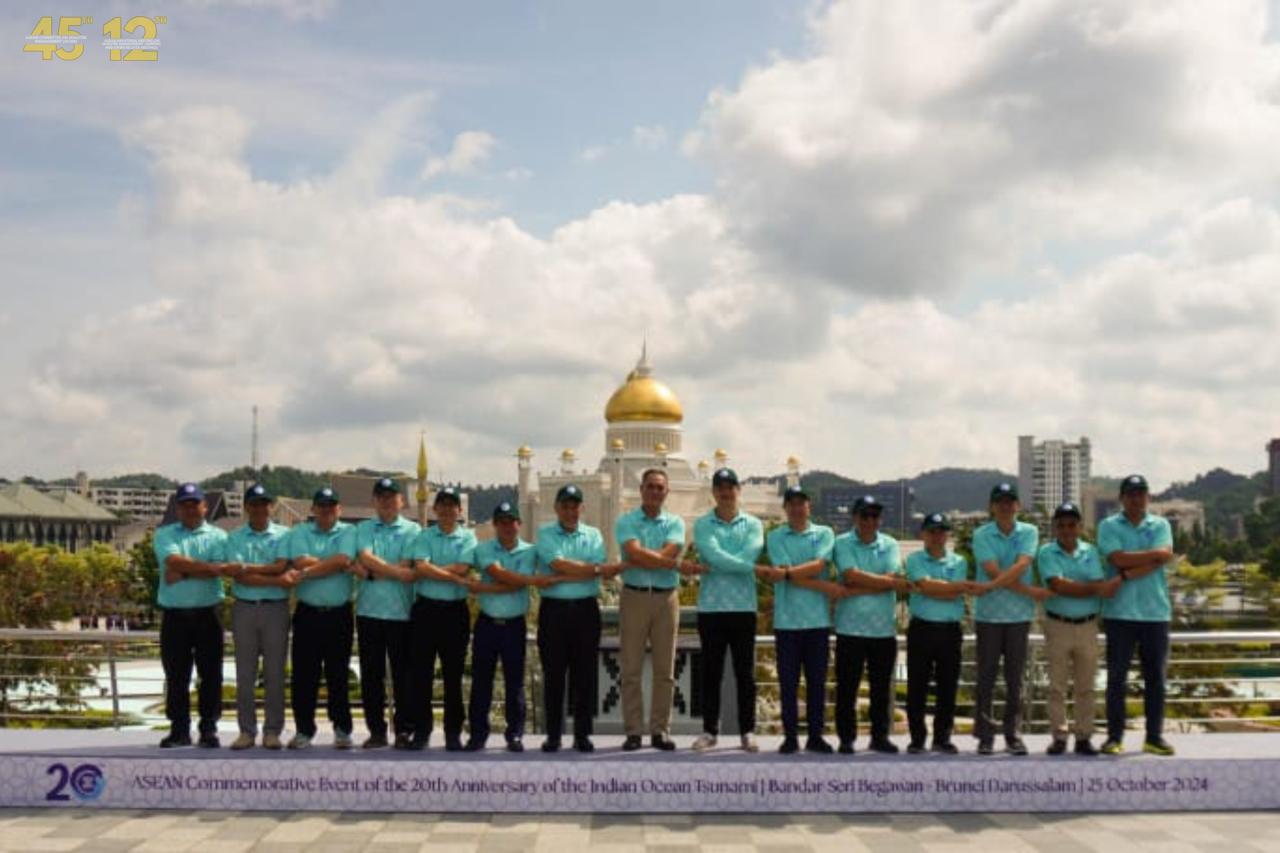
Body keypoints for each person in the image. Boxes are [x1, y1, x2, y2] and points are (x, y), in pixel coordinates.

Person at [462, 501, 561, 752]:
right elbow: (502, 576)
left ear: (519, 524)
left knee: (515, 683)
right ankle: (477, 735)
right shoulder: (483, 549)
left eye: (512, 521)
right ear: (495, 524)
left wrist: (482, 587)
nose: (508, 526)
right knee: (481, 682)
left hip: (514, 625)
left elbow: (515, 584)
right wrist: (533, 580)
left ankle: (514, 735)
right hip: (487, 624)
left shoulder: (530, 551)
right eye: (502, 522)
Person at [534, 484, 622, 753]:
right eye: (565, 506)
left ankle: (582, 735)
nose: (570, 511)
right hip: (554, 611)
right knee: (554, 675)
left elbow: (590, 570)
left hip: (585, 610)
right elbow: (559, 564)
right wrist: (589, 569)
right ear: (557, 508)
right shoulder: (545, 533)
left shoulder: (593, 534)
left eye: (575, 506)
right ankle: (554, 735)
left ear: (581, 508)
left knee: (585, 676)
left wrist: (571, 572)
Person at [1098, 474, 1177, 757]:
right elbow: (1116, 558)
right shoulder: (1108, 525)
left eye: (1141, 493)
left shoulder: (1161, 524)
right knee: (1116, 679)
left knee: (1155, 678)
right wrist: (1152, 555)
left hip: (1155, 613)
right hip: (1119, 613)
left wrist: (1129, 571)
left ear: (1148, 496)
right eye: (1131, 493)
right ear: (1122, 497)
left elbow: (1164, 557)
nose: (1136, 498)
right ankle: (1113, 737)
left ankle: (1154, 737)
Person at [153, 483, 235, 748]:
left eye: (194, 503)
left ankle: (208, 729)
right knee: (176, 676)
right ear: (178, 508)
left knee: (211, 675)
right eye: (185, 504)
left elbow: (220, 568)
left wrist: (187, 572)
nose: (190, 509)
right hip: (175, 616)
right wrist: (206, 567)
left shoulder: (220, 536)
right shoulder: (164, 534)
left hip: (207, 614)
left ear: (204, 506)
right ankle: (179, 730)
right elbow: (172, 563)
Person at [687, 468, 763, 754]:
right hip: (712, 607)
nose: (725, 492)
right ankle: (710, 730)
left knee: (745, 673)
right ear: (714, 492)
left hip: (743, 608)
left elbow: (748, 554)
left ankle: (747, 730)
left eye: (730, 487)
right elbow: (713, 553)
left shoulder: (753, 524)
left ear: (738, 490)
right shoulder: (704, 523)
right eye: (720, 487)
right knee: (711, 672)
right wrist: (746, 566)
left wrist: (728, 563)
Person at [1038, 501, 1120, 756]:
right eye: (1061, 525)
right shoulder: (1046, 552)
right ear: (1054, 527)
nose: (1066, 529)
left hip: (1087, 626)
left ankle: (1084, 737)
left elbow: (1093, 581)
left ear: (1080, 527)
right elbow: (1058, 585)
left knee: (1086, 687)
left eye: (1071, 524)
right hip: (1057, 624)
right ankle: (1059, 737)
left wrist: (1083, 587)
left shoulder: (1091, 551)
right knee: (1057, 687)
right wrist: (1092, 589)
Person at [971, 482, 1047, 756]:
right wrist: (1028, 591)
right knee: (986, 677)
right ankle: (985, 735)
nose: (1005, 506)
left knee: (1016, 679)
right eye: (999, 501)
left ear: (1017, 505)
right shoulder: (981, 533)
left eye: (1010, 501)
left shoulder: (1029, 531)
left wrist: (994, 586)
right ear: (992, 506)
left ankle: (1013, 734)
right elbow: (992, 570)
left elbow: (1021, 565)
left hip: (1018, 616)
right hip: (989, 616)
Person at [281, 486, 358, 750]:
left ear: (339, 509)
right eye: (321, 506)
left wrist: (310, 571)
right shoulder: (300, 531)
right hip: (308, 614)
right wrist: (333, 563)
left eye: (331, 506)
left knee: (338, 675)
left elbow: (344, 559)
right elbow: (304, 560)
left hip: (339, 614)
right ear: (313, 509)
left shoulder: (349, 531)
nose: (326, 510)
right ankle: (304, 730)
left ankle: (342, 730)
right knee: (304, 676)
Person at [616, 469, 687, 752]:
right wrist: (661, 560)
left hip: (665, 598)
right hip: (634, 597)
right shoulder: (627, 520)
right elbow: (633, 552)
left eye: (660, 487)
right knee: (631, 668)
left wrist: (649, 558)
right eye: (650, 487)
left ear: (666, 492)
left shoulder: (676, 522)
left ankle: (660, 730)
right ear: (641, 489)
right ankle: (634, 731)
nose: (655, 492)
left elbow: (668, 553)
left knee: (664, 669)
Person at [832, 495, 909, 754]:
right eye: (864, 515)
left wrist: (857, 585)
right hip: (849, 629)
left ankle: (880, 737)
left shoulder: (890, 543)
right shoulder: (841, 542)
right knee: (847, 689)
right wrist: (883, 583)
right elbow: (849, 575)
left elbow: (892, 578)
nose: (869, 521)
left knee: (881, 691)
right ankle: (846, 738)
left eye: (874, 516)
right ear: (854, 517)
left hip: (882, 630)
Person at [763, 485, 837, 755]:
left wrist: (789, 574)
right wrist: (800, 573)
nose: (796, 508)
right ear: (785, 508)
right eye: (791, 503)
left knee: (817, 684)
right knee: (789, 684)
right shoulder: (775, 536)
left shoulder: (825, 533)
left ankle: (816, 736)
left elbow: (819, 566)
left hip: (817, 622)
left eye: (801, 503)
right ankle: (791, 737)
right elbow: (791, 569)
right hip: (787, 623)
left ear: (809, 506)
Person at [904, 513, 985, 755]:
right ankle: (917, 739)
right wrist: (947, 588)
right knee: (916, 687)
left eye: (942, 531)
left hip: (949, 631)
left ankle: (942, 738)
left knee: (947, 687)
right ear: (923, 534)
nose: (937, 536)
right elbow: (927, 587)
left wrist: (936, 588)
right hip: (922, 629)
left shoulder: (958, 561)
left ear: (947, 534)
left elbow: (948, 593)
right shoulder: (914, 559)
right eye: (932, 531)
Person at [406, 486, 477, 751]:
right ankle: (422, 731)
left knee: (453, 677)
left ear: (460, 510)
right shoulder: (425, 535)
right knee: (421, 676)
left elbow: (463, 567)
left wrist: (433, 570)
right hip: (425, 611)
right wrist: (452, 575)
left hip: (454, 612)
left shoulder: (468, 537)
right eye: (442, 505)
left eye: (452, 505)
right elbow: (420, 568)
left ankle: (452, 733)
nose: (447, 510)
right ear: (434, 509)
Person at [225, 483, 294, 751]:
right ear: (246, 507)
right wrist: (274, 577)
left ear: (271, 507)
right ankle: (246, 731)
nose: (259, 509)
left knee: (275, 674)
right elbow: (239, 576)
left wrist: (247, 569)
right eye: (253, 503)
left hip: (275, 609)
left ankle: (272, 731)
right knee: (245, 674)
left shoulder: (284, 535)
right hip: (244, 607)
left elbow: (281, 566)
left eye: (264, 503)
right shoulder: (234, 537)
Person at [352, 477, 420, 749]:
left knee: (404, 676)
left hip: (401, 613)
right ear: (374, 501)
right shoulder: (364, 527)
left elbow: (407, 563)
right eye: (382, 497)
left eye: (392, 497)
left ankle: (404, 729)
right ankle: (377, 731)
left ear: (401, 501)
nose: (387, 502)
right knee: (371, 676)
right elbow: (365, 557)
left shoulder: (413, 530)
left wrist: (371, 574)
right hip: (369, 612)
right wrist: (394, 573)